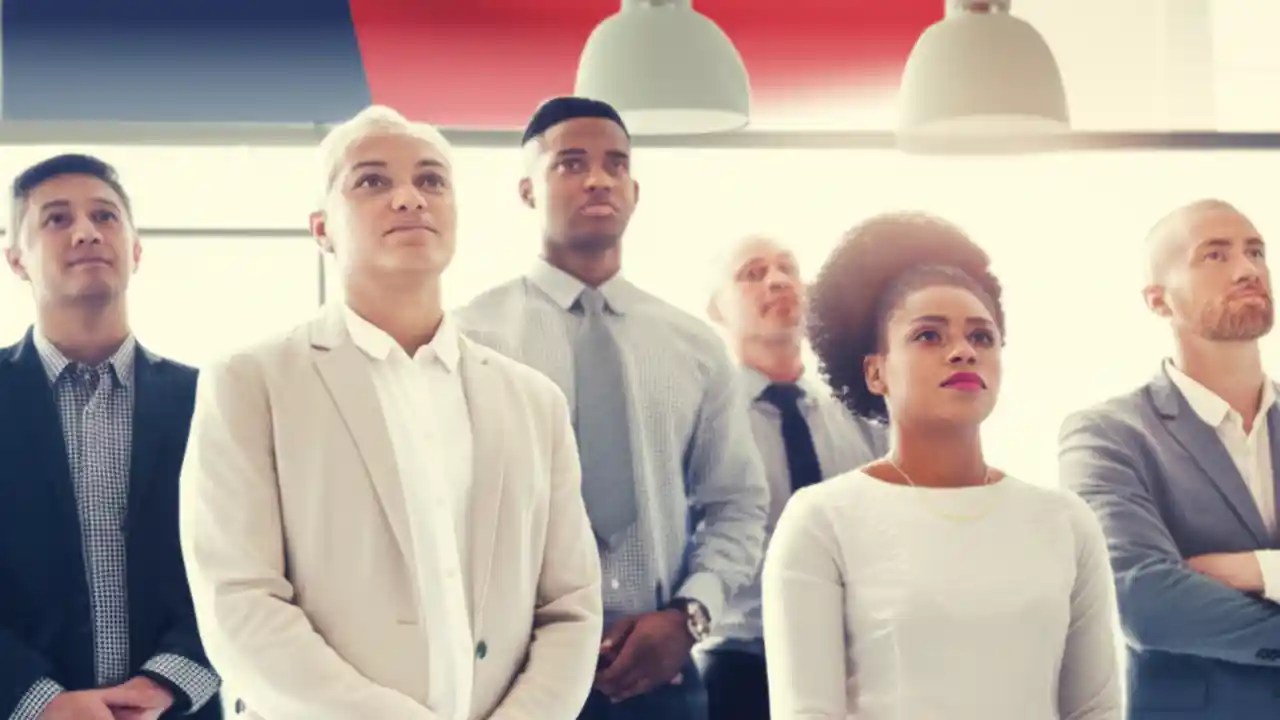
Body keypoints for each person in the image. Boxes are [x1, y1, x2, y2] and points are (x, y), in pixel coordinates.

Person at [178, 105, 602, 720]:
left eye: (432, 180)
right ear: (322, 229)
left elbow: (571, 607)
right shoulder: (251, 383)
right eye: (372, 181)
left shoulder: (533, 401)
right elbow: (239, 602)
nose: (409, 197)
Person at [455, 96, 769, 720]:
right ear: (526, 190)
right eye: (571, 164)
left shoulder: (693, 346)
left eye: (615, 165)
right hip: (512, 678)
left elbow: (737, 502)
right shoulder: (469, 338)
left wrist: (689, 616)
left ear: (634, 188)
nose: (598, 179)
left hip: (662, 678)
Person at [762, 213, 1122, 719]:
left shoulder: (1065, 521)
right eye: (929, 336)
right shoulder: (823, 518)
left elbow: (1095, 711)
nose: (962, 352)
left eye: (982, 337)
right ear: (875, 370)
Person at [0, 154, 221, 720]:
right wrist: (37, 700)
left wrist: (165, 683)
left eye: (105, 216)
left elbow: (251, 562)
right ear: (15, 259)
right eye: (55, 219)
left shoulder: (213, 400)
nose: (86, 232)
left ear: (136, 249)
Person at [1059, 199, 1280, 719]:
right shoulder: (1107, 435)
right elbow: (1145, 602)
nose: (1248, 268)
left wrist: (1257, 568)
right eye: (1215, 255)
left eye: (1256, 251)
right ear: (1158, 301)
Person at [698, 233, 886, 720]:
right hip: (741, 666)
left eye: (788, 267)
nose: (778, 280)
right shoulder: (698, 424)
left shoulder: (864, 418)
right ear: (716, 309)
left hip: (859, 666)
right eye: (752, 273)